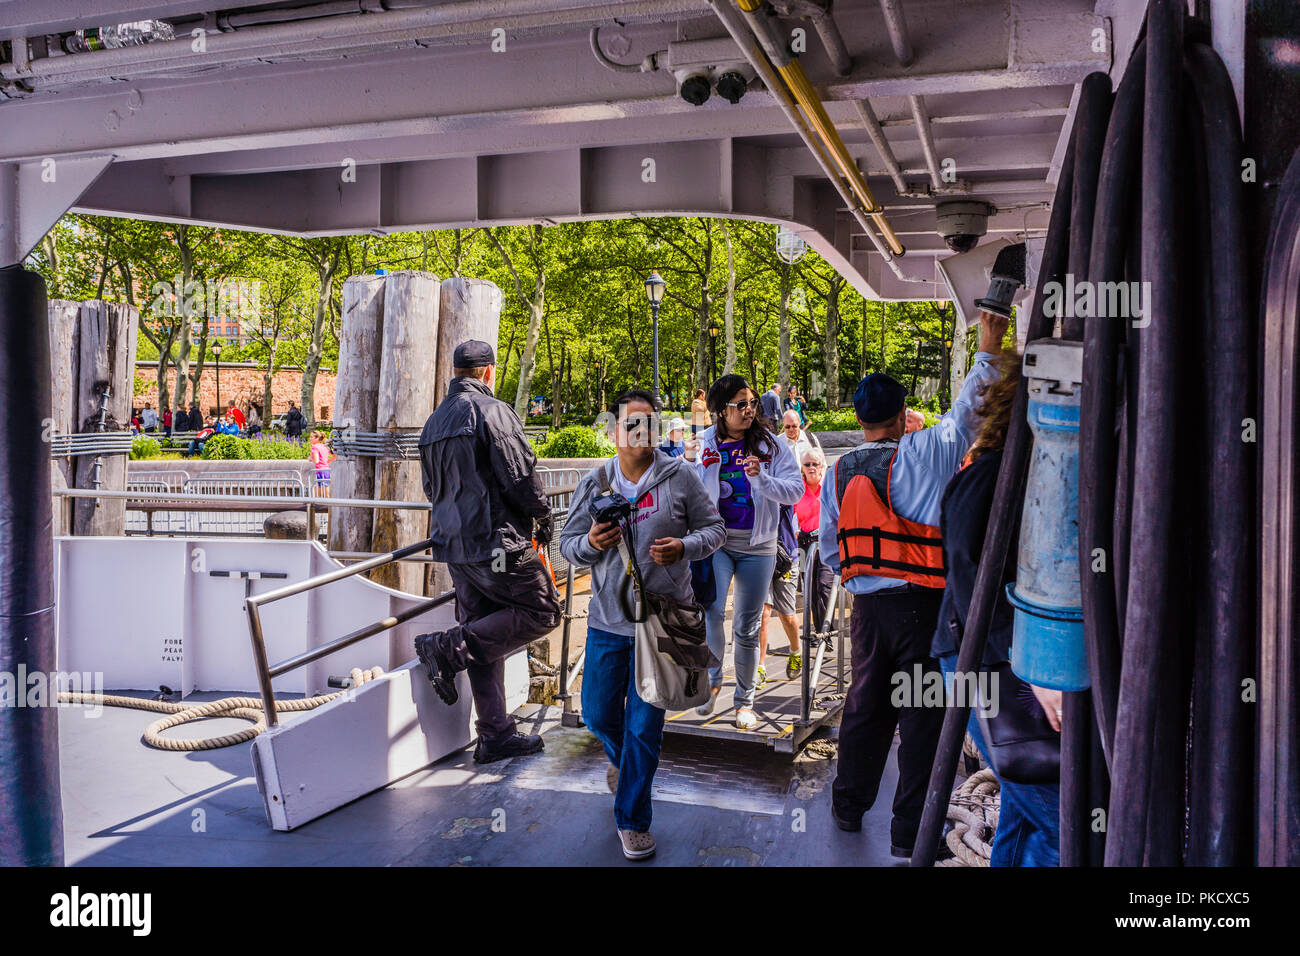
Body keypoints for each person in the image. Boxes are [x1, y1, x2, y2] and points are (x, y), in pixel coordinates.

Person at [820, 307, 1007, 857]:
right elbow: (971, 408)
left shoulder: (839, 470)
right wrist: (990, 342)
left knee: (865, 711)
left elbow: (833, 549)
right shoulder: (927, 451)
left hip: (869, 616)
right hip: (926, 612)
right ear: (904, 415)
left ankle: (846, 808)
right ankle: (909, 836)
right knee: (923, 720)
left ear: (859, 420)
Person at [560, 389, 725, 860]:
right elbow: (565, 546)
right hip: (608, 622)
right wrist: (591, 542)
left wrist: (685, 547)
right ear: (614, 431)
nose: (640, 432)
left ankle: (633, 819)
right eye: (631, 423)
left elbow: (713, 530)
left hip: (664, 624)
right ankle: (625, 765)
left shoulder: (682, 477)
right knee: (596, 714)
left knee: (644, 726)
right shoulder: (595, 483)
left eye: (649, 423)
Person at [933, 351, 1061, 867]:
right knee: (1061, 822)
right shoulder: (989, 479)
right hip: (986, 662)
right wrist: (1037, 669)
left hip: (1004, 661)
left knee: (1024, 810)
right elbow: (970, 580)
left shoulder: (1029, 476)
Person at [414, 340, 562, 764]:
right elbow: (519, 476)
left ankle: (495, 734)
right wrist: (542, 514)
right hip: (497, 546)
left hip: (456, 548)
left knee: (483, 626)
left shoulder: (433, 422)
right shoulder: (492, 411)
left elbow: (431, 489)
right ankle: (448, 647)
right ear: (488, 372)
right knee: (543, 611)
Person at [693, 374, 803, 729]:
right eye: (740, 404)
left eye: (752, 403)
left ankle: (745, 702)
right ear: (720, 410)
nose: (749, 409)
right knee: (711, 611)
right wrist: (692, 462)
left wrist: (762, 479)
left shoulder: (770, 444)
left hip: (759, 545)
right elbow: (686, 488)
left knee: (746, 626)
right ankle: (712, 682)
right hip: (717, 542)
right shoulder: (704, 442)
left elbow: (796, 491)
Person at [758, 503, 802, 683]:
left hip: (785, 558)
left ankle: (795, 650)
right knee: (763, 613)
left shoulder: (784, 483)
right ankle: (759, 667)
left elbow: (786, 497)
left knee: (786, 615)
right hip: (759, 557)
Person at [794, 448, 835, 636]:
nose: (811, 468)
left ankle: (825, 630)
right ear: (802, 467)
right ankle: (819, 631)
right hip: (803, 544)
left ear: (822, 466)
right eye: (807, 464)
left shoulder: (828, 487)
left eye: (815, 464)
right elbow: (791, 515)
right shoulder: (797, 489)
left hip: (825, 542)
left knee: (824, 586)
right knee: (809, 588)